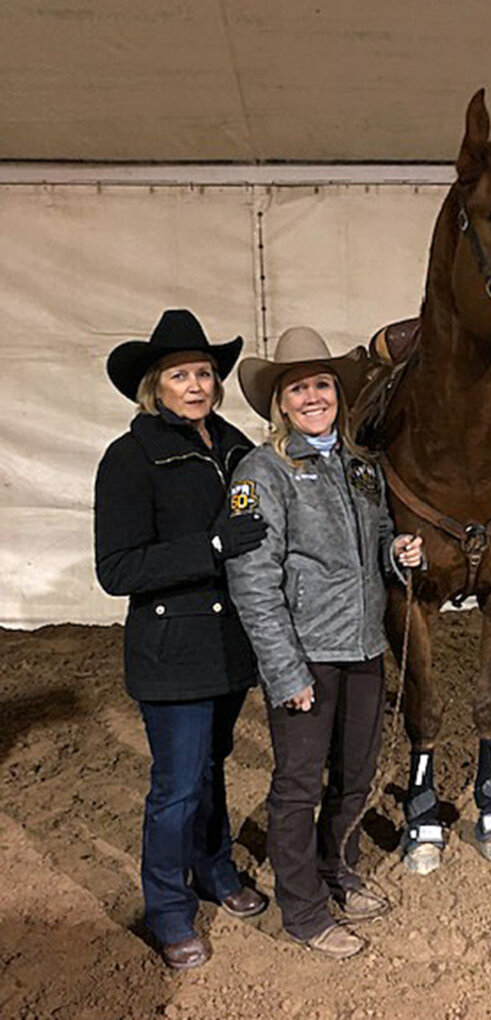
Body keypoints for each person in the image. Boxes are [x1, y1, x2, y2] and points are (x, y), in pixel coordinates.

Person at [225, 326, 423, 960]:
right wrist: (286, 674)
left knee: (356, 776)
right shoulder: (262, 472)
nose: (312, 397)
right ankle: (304, 910)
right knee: (299, 786)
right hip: (307, 656)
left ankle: (339, 871)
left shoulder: (361, 468)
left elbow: (379, 541)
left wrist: (396, 552)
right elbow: (253, 582)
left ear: (336, 393)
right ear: (280, 403)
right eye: (298, 388)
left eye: (320, 385)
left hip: (363, 649)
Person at [94, 308, 269, 970]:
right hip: (171, 652)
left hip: (230, 644)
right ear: (154, 387)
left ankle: (214, 869)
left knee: (211, 768)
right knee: (176, 786)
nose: (195, 384)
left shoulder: (237, 449)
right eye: (179, 375)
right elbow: (117, 569)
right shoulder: (130, 458)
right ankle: (167, 907)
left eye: (203, 372)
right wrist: (213, 546)